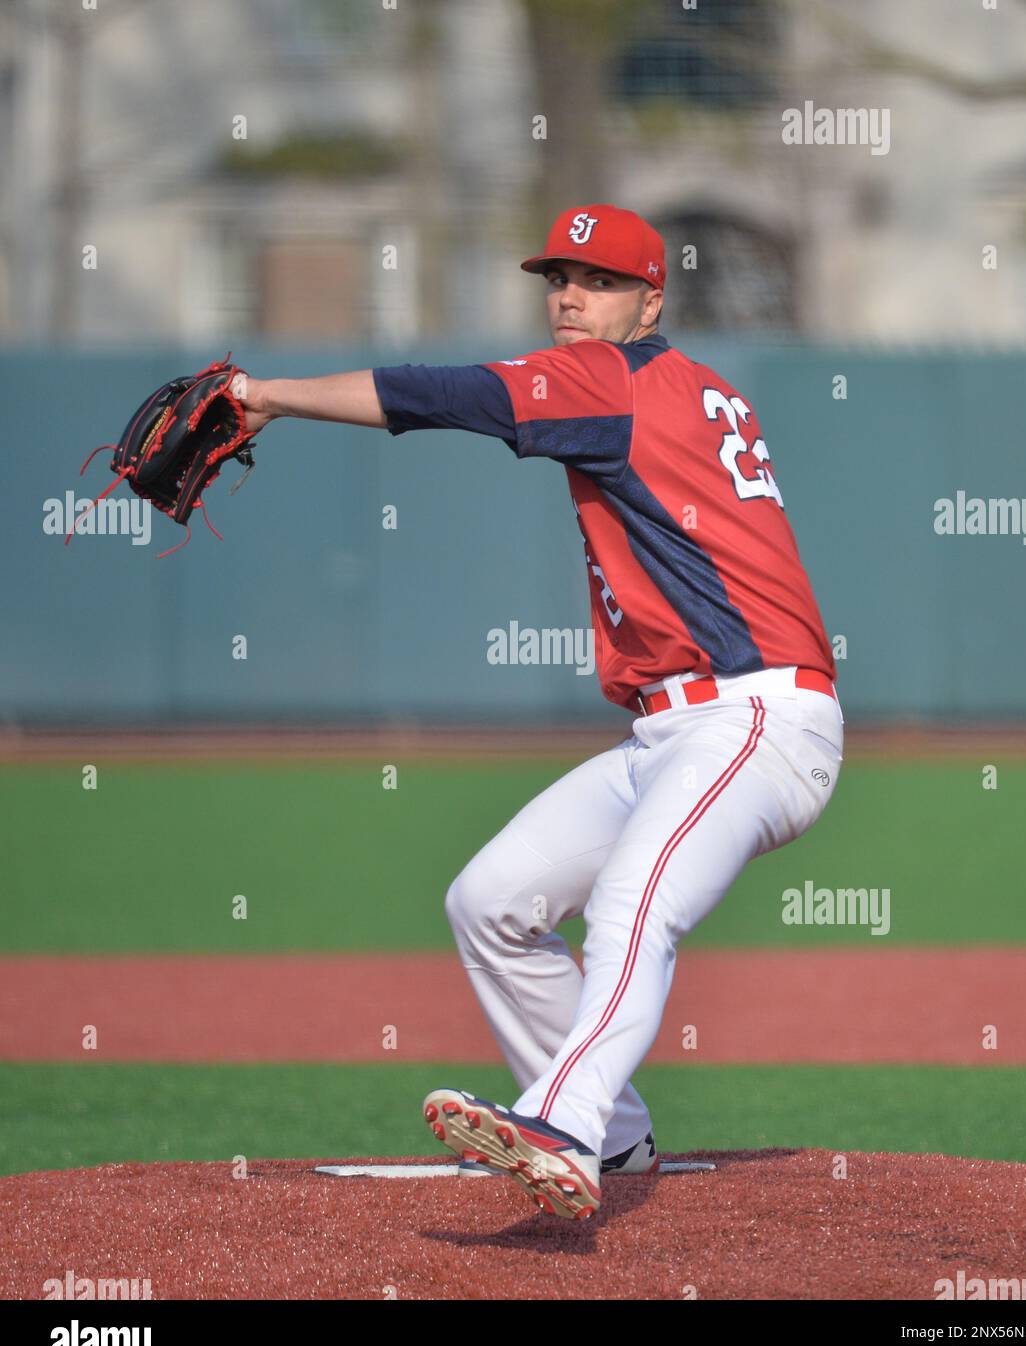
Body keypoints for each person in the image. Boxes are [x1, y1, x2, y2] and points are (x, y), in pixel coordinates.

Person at [237, 203, 844, 1221]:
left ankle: (563, 1122)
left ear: (651, 299)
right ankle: (615, 1134)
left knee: (629, 907)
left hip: (754, 718)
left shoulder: (609, 377)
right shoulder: (695, 387)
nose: (570, 295)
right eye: (559, 275)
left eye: (600, 280)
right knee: (493, 898)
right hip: (674, 728)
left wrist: (267, 394)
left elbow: (442, 395)